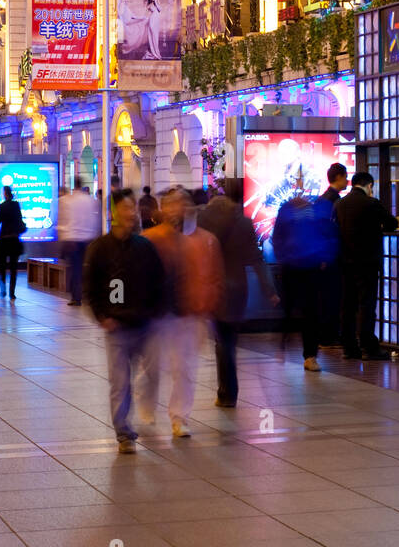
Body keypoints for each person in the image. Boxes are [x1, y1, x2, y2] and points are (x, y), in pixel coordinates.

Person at [85, 190, 168, 453]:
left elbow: (160, 281)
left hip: (146, 324)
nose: (130, 213)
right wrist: (102, 316)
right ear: (113, 212)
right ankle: (124, 434)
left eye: (132, 208)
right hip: (118, 326)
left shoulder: (144, 247)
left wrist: (157, 311)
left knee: (153, 374)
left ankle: (143, 410)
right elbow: (91, 286)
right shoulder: (100, 248)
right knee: (120, 382)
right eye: (124, 208)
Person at [139, 188, 222, 438]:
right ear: (163, 209)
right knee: (152, 367)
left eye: (181, 204)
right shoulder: (150, 239)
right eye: (172, 204)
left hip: (189, 313)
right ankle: (146, 403)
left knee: (184, 368)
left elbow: (214, 275)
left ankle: (180, 417)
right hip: (156, 314)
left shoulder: (204, 240)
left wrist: (207, 303)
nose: (177, 209)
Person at [198, 179, 276, 408]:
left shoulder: (204, 221)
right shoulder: (243, 223)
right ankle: (228, 391)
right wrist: (269, 289)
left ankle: (226, 391)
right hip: (238, 287)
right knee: (229, 338)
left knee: (222, 340)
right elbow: (256, 258)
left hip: (214, 285)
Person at [273, 188, 340, 372]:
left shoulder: (286, 210)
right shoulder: (313, 211)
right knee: (311, 312)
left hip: (292, 267)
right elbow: (327, 235)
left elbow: (277, 237)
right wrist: (324, 259)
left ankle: (285, 345)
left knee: (289, 309)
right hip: (310, 267)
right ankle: (309, 355)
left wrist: (282, 259)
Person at [335, 171, 398, 359]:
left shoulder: (340, 204)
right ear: (369, 185)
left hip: (345, 261)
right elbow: (392, 223)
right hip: (367, 262)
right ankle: (368, 347)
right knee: (366, 305)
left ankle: (349, 347)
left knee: (348, 305)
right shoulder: (371, 203)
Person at [316, 162, 349, 346]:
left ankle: (326, 334)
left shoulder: (323, 199)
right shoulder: (334, 201)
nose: (347, 181)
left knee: (326, 296)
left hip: (324, 255)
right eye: (345, 177)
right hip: (331, 256)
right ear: (338, 177)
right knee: (332, 296)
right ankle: (328, 335)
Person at [58, 180, 99, 306]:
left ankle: (76, 297)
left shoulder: (67, 200)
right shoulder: (90, 200)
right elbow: (94, 220)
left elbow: (63, 220)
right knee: (85, 267)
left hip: (73, 239)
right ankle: (86, 294)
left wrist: (63, 237)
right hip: (87, 239)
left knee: (75, 268)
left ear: (73, 185)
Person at [0, 186, 26, 299]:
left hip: (4, 240)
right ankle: (12, 293)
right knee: (13, 267)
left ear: (4, 194)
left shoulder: (1, 206)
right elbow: (20, 219)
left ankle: (3, 290)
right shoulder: (16, 205)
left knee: (2, 266)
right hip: (14, 240)